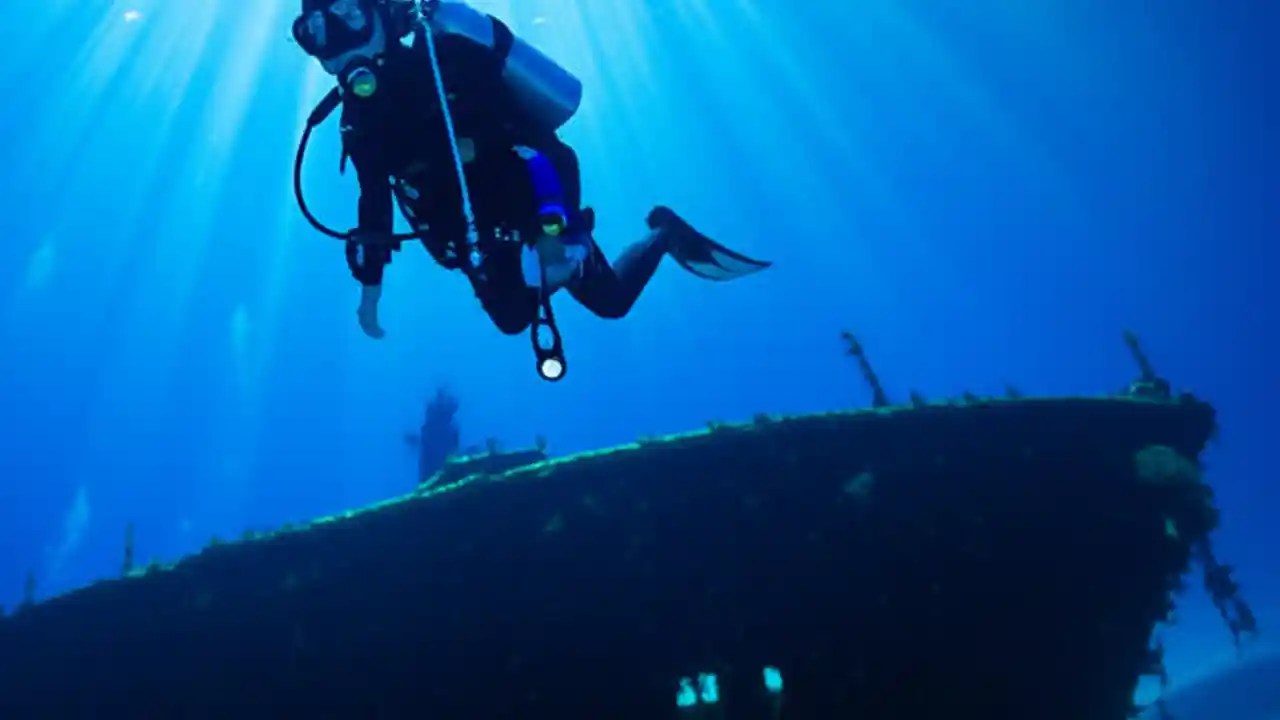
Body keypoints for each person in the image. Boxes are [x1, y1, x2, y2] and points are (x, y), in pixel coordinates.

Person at [292, 0, 771, 379]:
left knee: (610, 302)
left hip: (532, 205)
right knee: (513, 319)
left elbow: (537, 145)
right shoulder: (359, 123)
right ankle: (635, 240)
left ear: (382, 12)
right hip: (471, 236)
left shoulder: (446, 59)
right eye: (315, 32)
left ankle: (661, 233)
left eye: (349, 17)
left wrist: (550, 229)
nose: (336, 40)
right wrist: (370, 290)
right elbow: (373, 202)